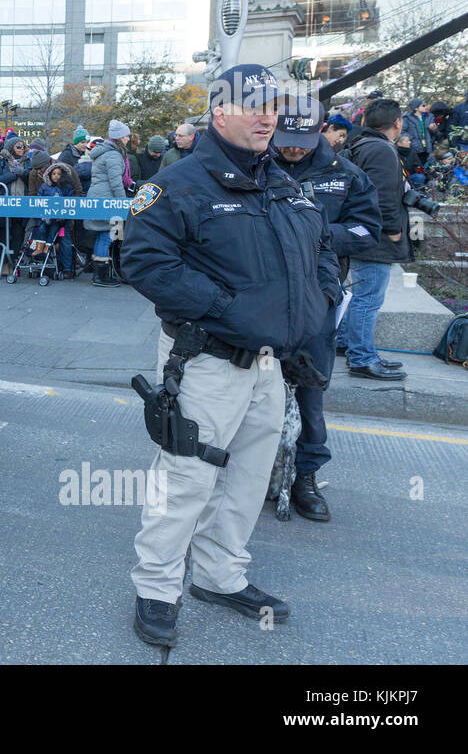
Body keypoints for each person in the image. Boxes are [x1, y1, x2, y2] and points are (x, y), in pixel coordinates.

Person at [121, 64, 341, 648]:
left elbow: (321, 247)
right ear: (219, 112)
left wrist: (320, 301)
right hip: (209, 360)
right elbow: (144, 262)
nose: (269, 117)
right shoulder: (179, 183)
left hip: (272, 366)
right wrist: (227, 309)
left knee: (247, 478)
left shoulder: (282, 182)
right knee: (187, 477)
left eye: (274, 106)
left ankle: (219, 575)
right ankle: (157, 588)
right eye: (254, 106)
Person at [272, 96, 381, 521]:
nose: (292, 149)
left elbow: (367, 229)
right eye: (286, 140)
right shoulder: (256, 164)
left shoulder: (346, 174)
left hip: (318, 297)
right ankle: (255, 473)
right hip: (262, 298)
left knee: (311, 393)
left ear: (320, 132)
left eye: (301, 140)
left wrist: (311, 233)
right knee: (250, 392)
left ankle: (305, 476)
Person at [337, 99, 410, 381]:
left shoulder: (357, 146)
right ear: (397, 123)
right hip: (375, 237)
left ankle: (346, 344)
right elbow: (383, 195)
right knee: (368, 298)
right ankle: (362, 358)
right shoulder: (380, 150)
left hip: (357, 231)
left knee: (355, 295)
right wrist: (393, 229)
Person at [85, 119, 130, 287]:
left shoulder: (103, 152)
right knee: (107, 236)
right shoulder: (113, 154)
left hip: (98, 196)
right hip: (108, 199)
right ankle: (101, 276)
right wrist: (123, 204)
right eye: (126, 136)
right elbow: (116, 182)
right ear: (119, 138)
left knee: (103, 235)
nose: (128, 139)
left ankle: (100, 272)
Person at [401, 99, 432, 165]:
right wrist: (412, 139)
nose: (425, 107)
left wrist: (434, 129)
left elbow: (435, 133)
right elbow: (402, 131)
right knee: (418, 168)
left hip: (428, 148)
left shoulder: (429, 117)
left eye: (425, 105)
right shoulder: (406, 118)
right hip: (415, 148)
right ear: (416, 108)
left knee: (428, 167)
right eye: (423, 105)